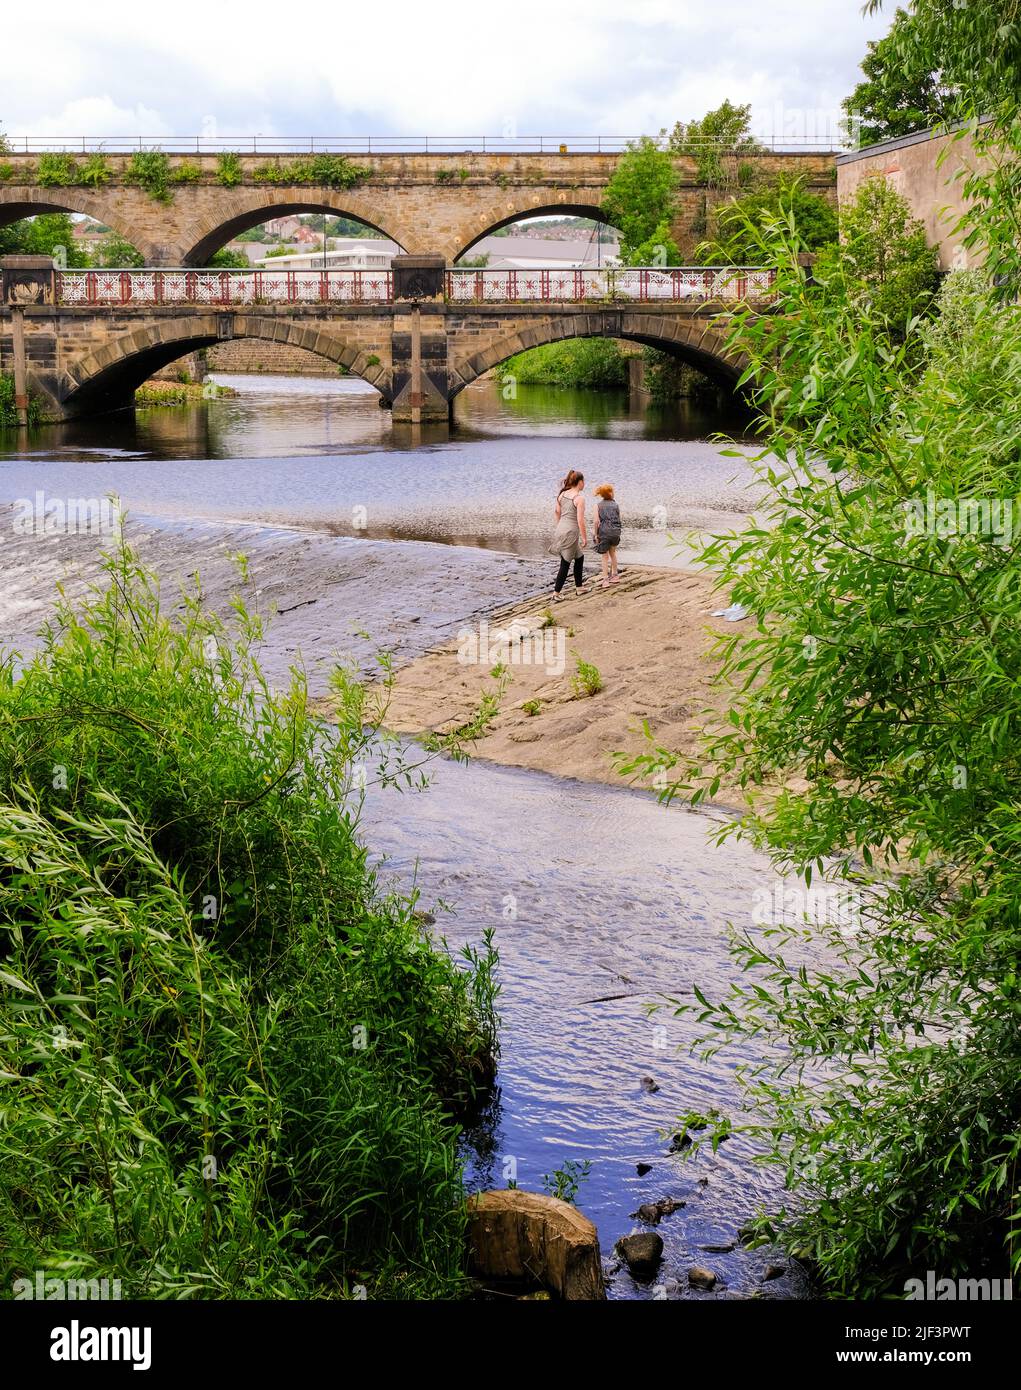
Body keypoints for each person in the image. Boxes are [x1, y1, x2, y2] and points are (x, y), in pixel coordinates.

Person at [550, 470, 588, 598]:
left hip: (561, 528)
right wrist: (584, 537)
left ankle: (579, 588)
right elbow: (580, 520)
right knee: (565, 563)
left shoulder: (562, 494)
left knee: (579, 557)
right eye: (584, 482)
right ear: (580, 482)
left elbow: (556, 512)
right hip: (571, 532)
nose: (584, 484)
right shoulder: (579, 499)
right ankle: (556, 593)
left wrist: (559, 526)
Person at [593, 483, 622, 586]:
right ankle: (615, 575)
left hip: (604, 532)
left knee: (604, 556)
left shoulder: (597, 505)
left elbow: (596, 521)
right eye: (612, 491)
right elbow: (618, 519)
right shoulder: (616, 505)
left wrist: (595, 534)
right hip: (615, 532)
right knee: (613, 553)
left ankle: (605, 579)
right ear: (610, 493)